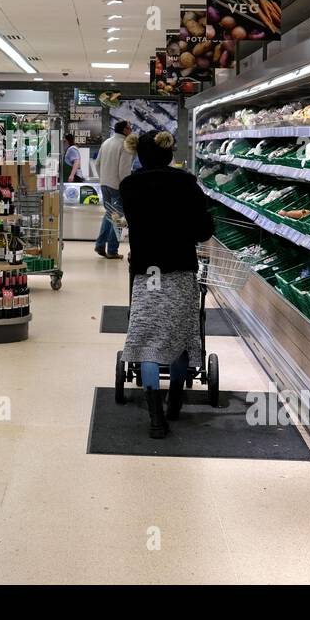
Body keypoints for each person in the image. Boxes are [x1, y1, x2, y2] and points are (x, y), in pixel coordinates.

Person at [118, 130, 215, 439]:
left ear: (139, 155)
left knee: (147, 341)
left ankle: (156, 417)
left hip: (148, 274)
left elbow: (133, 224)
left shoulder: (129, 187)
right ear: (168, 153)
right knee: (182, 338)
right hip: (181, 272)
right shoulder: (186, 183)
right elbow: (203, 231)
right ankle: (174, 402)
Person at [92, 121, 134, 259]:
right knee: (117, 218)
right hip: (118, 186)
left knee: (109, 215)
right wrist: (127, 188)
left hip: (105, 184)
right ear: (124, 130)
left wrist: (103, 178)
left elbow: (97, 163)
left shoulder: (106, 142)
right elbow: (124, 170)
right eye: (130, 128)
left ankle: (99, 245)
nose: (131, 130)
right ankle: (112, 250)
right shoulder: (126, 145)